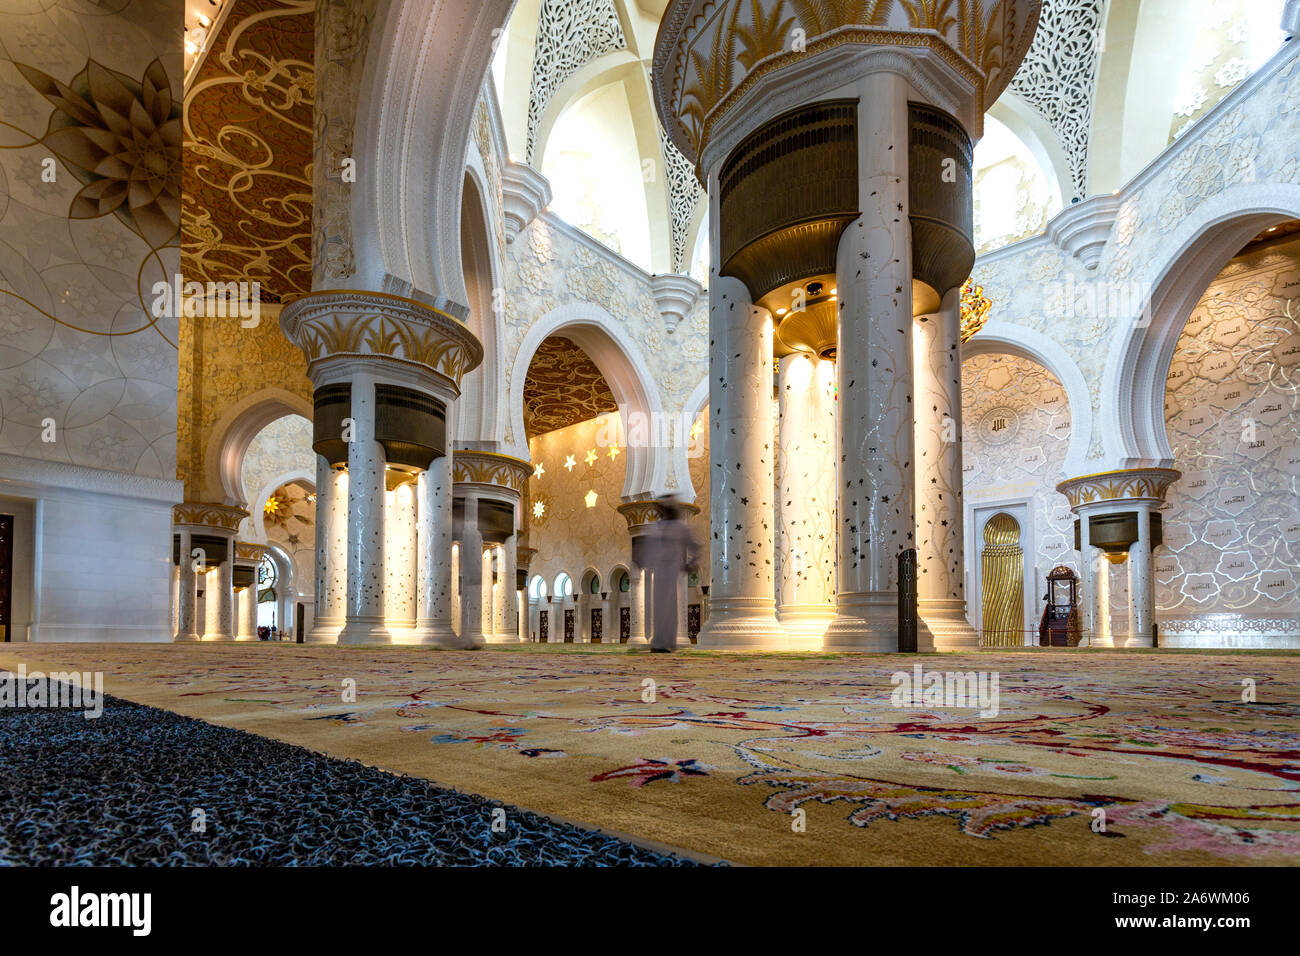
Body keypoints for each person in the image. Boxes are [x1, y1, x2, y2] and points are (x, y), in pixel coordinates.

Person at [643, 498, 700, 653]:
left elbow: (694, 546)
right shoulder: (657, 527)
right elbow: (650, 547)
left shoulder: (680, 527)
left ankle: (667, 642)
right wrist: (646, 563)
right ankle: (658, 642)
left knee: (669, 605)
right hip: (659, 569)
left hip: (671, 569)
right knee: (659, 606)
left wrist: (691, 562)